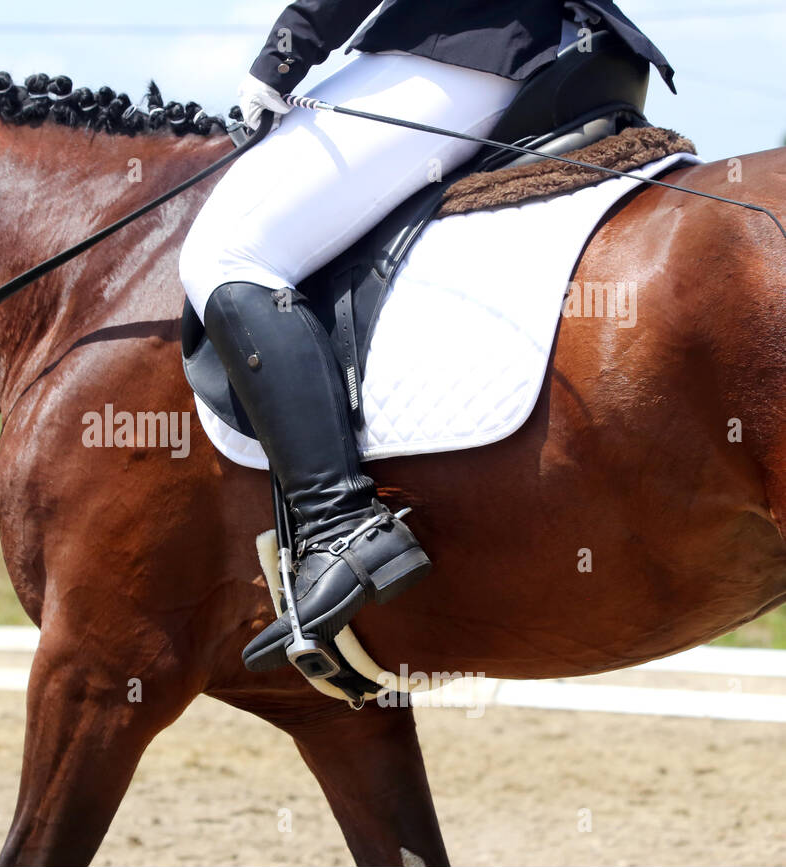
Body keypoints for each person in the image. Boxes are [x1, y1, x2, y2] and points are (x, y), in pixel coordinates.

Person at [179, 1, 674, 673]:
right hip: (566, 48)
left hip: (468, 45)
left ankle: (340, 522)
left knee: (228, 255)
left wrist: (285, 54)